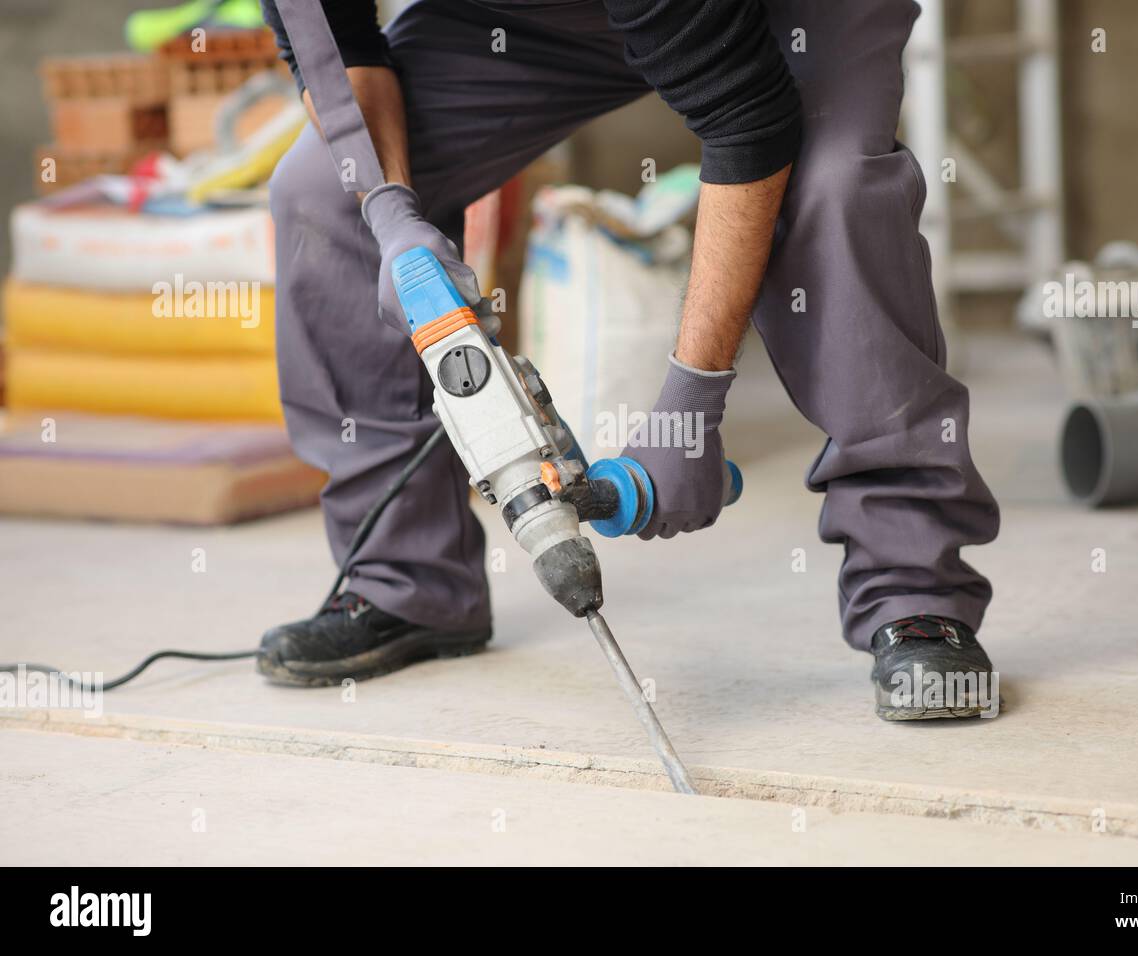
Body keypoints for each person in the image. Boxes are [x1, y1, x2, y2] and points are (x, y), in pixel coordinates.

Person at [257, 0, 1001, 720]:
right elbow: (337, 51)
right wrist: (391, 217)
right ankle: (405, 582)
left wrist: (691, 405)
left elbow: (747, 118)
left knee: (830, 191)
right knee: (323, 191)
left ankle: (914, 595)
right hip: (521, 19)